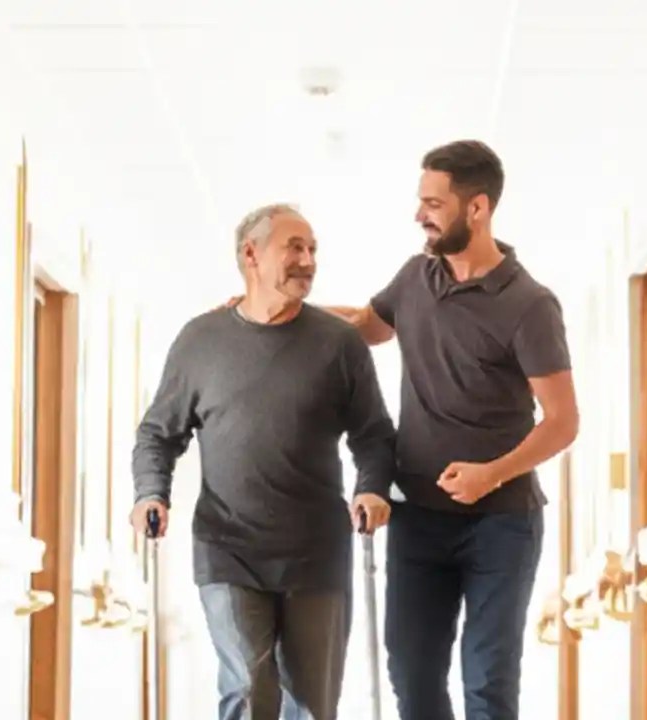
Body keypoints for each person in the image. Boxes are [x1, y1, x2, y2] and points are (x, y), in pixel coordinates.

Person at [324, 140, 580, 719]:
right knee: (411, 675)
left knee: (486, 679)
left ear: (477, 208)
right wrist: (284, 309)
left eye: (433, 203)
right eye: (421, 201)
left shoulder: (529, 305)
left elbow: (564, 422)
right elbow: (368, 326)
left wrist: (493, 474)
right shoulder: (417, 277)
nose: (420, 215)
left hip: (503, 522)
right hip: (419, 516)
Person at [130, 203, 396, 720]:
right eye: (294, 247)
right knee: (251, 686)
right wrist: (150, 492)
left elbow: (375, 435)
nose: (308, 260)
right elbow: (158, 434)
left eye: (313, 249)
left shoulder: (339, 344)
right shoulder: (200, 341)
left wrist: (372, 487)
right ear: (251, 254)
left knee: (312, 704)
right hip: (229, 545)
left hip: (316, 550)